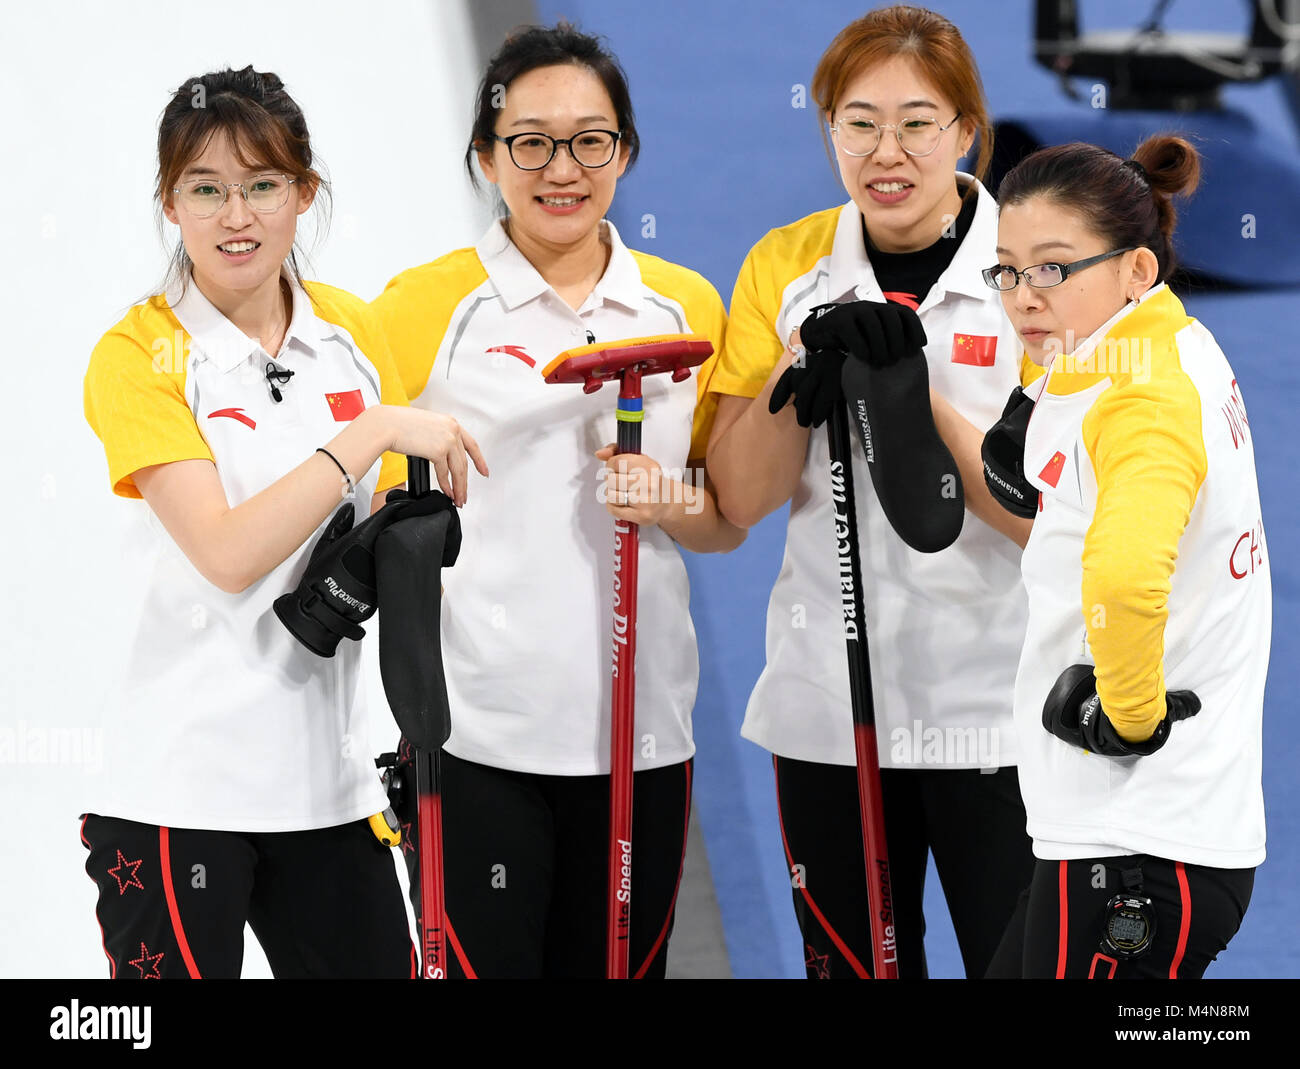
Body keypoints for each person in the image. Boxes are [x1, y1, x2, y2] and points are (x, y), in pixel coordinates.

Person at [80, 66, 484, 979]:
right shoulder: (138, 354)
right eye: (207, 189)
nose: (238, 216)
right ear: (169, 202)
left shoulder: (350, 329)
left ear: (305, 193)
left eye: (263, 185)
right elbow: (224, 553)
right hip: (176, 793)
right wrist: (371, 432)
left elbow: (369, 520)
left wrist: (403, 529)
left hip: (325, 791)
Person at [371, 24, 742, 979]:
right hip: (479, 737)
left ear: (625, 151)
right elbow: (361, 499)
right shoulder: (422, 308)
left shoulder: (687, 307)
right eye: (529, 140)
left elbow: (725, 515)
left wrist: (671, 498)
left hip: (643, 735)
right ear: (487, 157)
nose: (559, 167)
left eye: (590, 139)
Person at [705, 5, 1036, 979]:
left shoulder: (1037, 269)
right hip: (829, 717)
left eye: (916, 122)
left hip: (1000, 716)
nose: (884, 152)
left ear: (966, 129)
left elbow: (1052, 520)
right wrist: (797, 377)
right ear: (826, 129)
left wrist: (909, 400)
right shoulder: (785, 265)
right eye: (857, 122)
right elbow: (735, 498)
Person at [982, 135, 1268, 979]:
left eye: (1054, 269)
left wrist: (1130, 717)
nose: (1025, 298)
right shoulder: (1161, 339)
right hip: (1114, 834)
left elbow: (1126, 575)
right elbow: (1082, 375)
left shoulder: (1142, 405)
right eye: (1007, 270)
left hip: (1140, 841)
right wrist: (1028, 409)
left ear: (1137, 268)